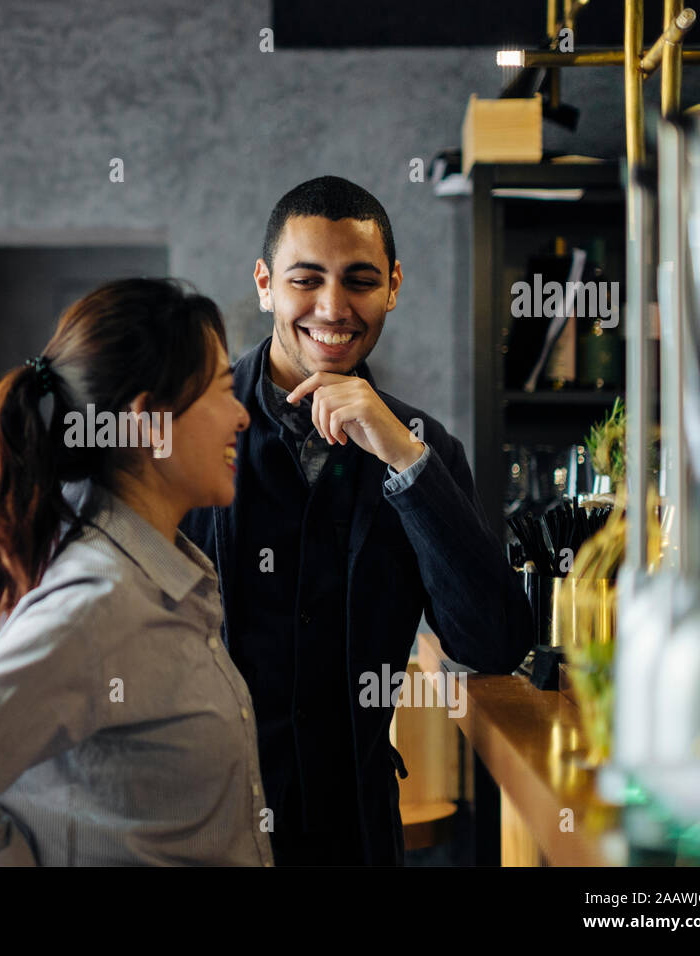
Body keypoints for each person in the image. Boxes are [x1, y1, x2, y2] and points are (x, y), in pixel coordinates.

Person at [181, 175, 535, 866]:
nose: (333, 307)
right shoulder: (197, 429)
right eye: (306, 280)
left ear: (394, 286)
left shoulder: (427, 449)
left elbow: (492, 641)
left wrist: (404, 455)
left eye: (360, 281)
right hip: (207, 831)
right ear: (264, 284)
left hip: (358, 836)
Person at [0, 277, 271, 865]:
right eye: (222, 390)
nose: (241, 416)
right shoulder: (102, 602)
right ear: (148, 423)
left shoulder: (158, 578)